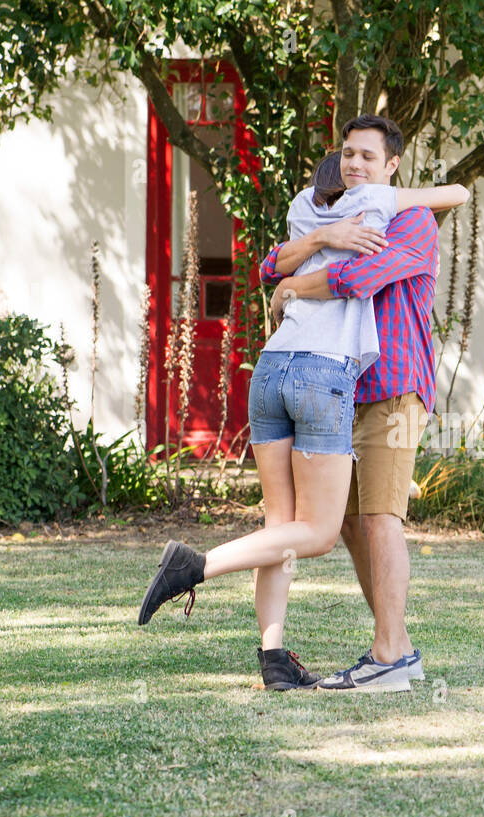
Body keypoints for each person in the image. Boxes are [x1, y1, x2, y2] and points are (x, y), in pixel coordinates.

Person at [136, 130, 467, 695]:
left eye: (368, 155)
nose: (355, 163)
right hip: (341, 386)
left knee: (382, 518)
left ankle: (389, 654)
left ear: (392, 165)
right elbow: (267, 266)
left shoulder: (410, 221)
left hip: (397, 388)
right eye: (348, 153)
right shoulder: (331, 213)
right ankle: (397, 649)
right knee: (343, 522)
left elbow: (354, 278)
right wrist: (300, 259)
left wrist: (293, 284)